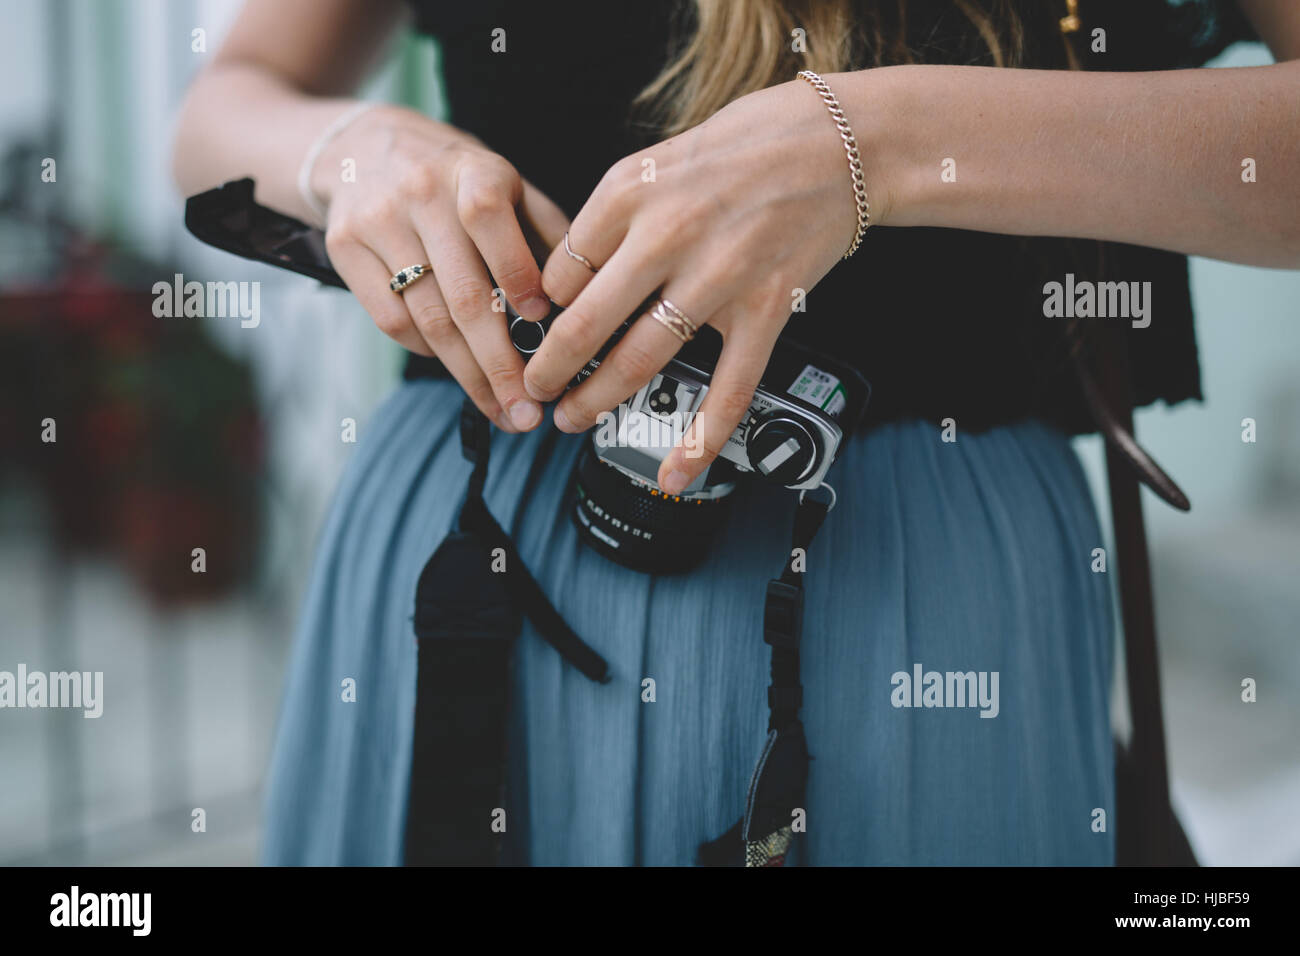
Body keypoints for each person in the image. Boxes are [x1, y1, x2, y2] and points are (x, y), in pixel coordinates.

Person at [172, 0, 1300, 865]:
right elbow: (224, 109)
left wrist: (873, 144)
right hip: (476, 554)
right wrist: (352, 153)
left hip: (919, 588)